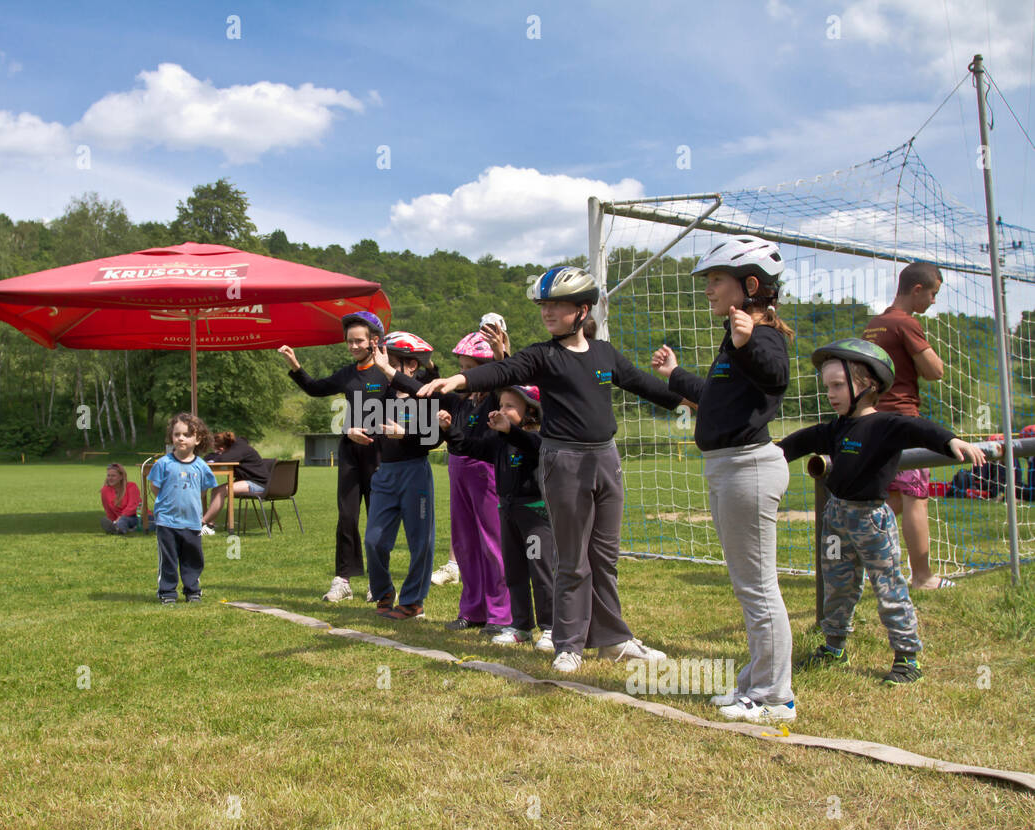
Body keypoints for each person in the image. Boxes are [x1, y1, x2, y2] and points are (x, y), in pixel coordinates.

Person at [419, 266, 685, 673]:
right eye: (543, 305)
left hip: (606, 460)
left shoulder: (604, 354)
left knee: (605, 558)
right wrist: (458, 378)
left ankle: (613, 639)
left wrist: (693, 398)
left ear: (581, 310)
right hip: (564, 462)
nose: (547, 312)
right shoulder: (543, 356)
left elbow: (647, 387)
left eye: (556, 305)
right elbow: (503, 371)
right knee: (572, 559)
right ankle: (568, 642)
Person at [650, 234, 797, 723]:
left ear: (749, 284)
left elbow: (777, 376)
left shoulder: (762, 337)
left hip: (748, 468)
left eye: (716, 280)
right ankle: (757, 683)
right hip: (728, 469)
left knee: (758, 588)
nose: (709, 290)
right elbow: (714, 400)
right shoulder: (738, 340)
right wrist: (675, 374)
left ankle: (776, 697)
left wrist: (747, 341)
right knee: (748, 584)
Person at [779, 339, 985, 685]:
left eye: (838, 385)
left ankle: (907, 657)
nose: (830, 393)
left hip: (872, 523)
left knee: (888, 586)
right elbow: (799, 442)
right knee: (837, 584)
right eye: (827, 386)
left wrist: (951, 441)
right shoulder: (835, 428)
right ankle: (834, 645)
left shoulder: (886, 425)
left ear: (868, 385)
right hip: (835, 521)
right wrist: (770, 456)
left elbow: (919, 429)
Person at [279, 312, 388, 603]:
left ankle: (379, 582)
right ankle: (343, 580)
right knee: (347, 516)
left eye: (359, 341)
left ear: (373, 342)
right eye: (349, 341)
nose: (353, 346)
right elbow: (316, 389)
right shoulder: (347, 373)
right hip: (351, 451)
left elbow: (404, 410)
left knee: (377, 517)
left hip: (380, 452)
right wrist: (296, 366)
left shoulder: (387, 374)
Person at [442, 385, 555, 649]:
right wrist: (449, 431)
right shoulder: (498, 440)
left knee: (540, 570)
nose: (501, 410)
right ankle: (521, 626)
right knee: (514, 571)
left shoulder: (540, 437)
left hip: (534, 517)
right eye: (501, 405)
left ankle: (551, 627)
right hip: (507, 512)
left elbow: (530, 444)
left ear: (530, 412)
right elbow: (469, 446)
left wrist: (510, 431)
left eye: (510, 406)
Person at [862, 263, 953, 589]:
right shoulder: (906, 323)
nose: (932, 302)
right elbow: (934, 371)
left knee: (894, 499)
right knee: (916, 496)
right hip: (903, 422)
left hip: (872, 420)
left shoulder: (874, 325)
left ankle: (852, 553)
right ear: (917, 289)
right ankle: (923, 577)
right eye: (932, 294)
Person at [356, 332, 444, 620]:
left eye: (390, 362)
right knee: (374, 540)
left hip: (415, 473)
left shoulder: (425, 396)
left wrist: (405, 434)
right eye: (384, 361)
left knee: (421, 540)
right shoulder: (382, 395)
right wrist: (352, 431)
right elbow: (361, 422)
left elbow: (432, 439)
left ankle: (413, 601)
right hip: (385, 474)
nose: (384, 367)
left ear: (411, 367)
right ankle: (383, 593)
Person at [440, 329, 512, 633]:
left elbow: (506, 377)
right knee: (465, 543)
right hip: (457, 471)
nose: (464, 375)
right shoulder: (461, 400)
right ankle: (472, 610)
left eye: (471, 369)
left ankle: (501, 614)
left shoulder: (496, 396)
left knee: (492, 544)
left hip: (486, 474)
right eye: (462, 368)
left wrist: (500, 357)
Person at [147, 413, 217, 604]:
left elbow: (203, 490)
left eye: (186, 434)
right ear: (171, 437)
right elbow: (155, 487)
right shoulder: (163, 464)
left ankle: (192, 590)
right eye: (177, 434)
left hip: (192, 522)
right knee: (168, 559)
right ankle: (167, 593)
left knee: (192, 559)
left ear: (197, 438)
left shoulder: (202, 467)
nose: (181, 438)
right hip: (167, 521)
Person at [202, 430, 271, 534]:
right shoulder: (233, 448)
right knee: (216, 490)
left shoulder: (239, 449)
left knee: (222, 490)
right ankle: (210, 526)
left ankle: (202, 523)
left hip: (259, 484)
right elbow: (209, 457)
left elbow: (222, 459)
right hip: (248, 481)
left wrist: (218, 456)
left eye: (216, 450)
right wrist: (217, 455)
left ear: (221, 448)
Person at [100, 463, 142, 534]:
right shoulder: (105, 490)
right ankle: (117, 528)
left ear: (121, 477)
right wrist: (112, 521)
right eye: (108, 475)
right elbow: (108, 510)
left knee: (124, 520)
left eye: (113, 476)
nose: (110, 478)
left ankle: (119, 530)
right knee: (123, 521)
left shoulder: (131, 486)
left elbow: (133, 506)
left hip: (139, 516)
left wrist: (120, 518)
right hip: (122, 519)